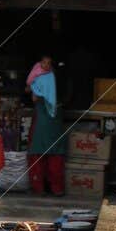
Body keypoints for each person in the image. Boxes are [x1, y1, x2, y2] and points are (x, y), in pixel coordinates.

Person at [27, 56, 66, 197]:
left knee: (38, 155)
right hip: (55, 121)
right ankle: (56, 188)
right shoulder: (58, 80)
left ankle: (39, 188)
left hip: (42, 120)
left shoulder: (40, 79)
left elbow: (34, 97)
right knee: (55, 155)